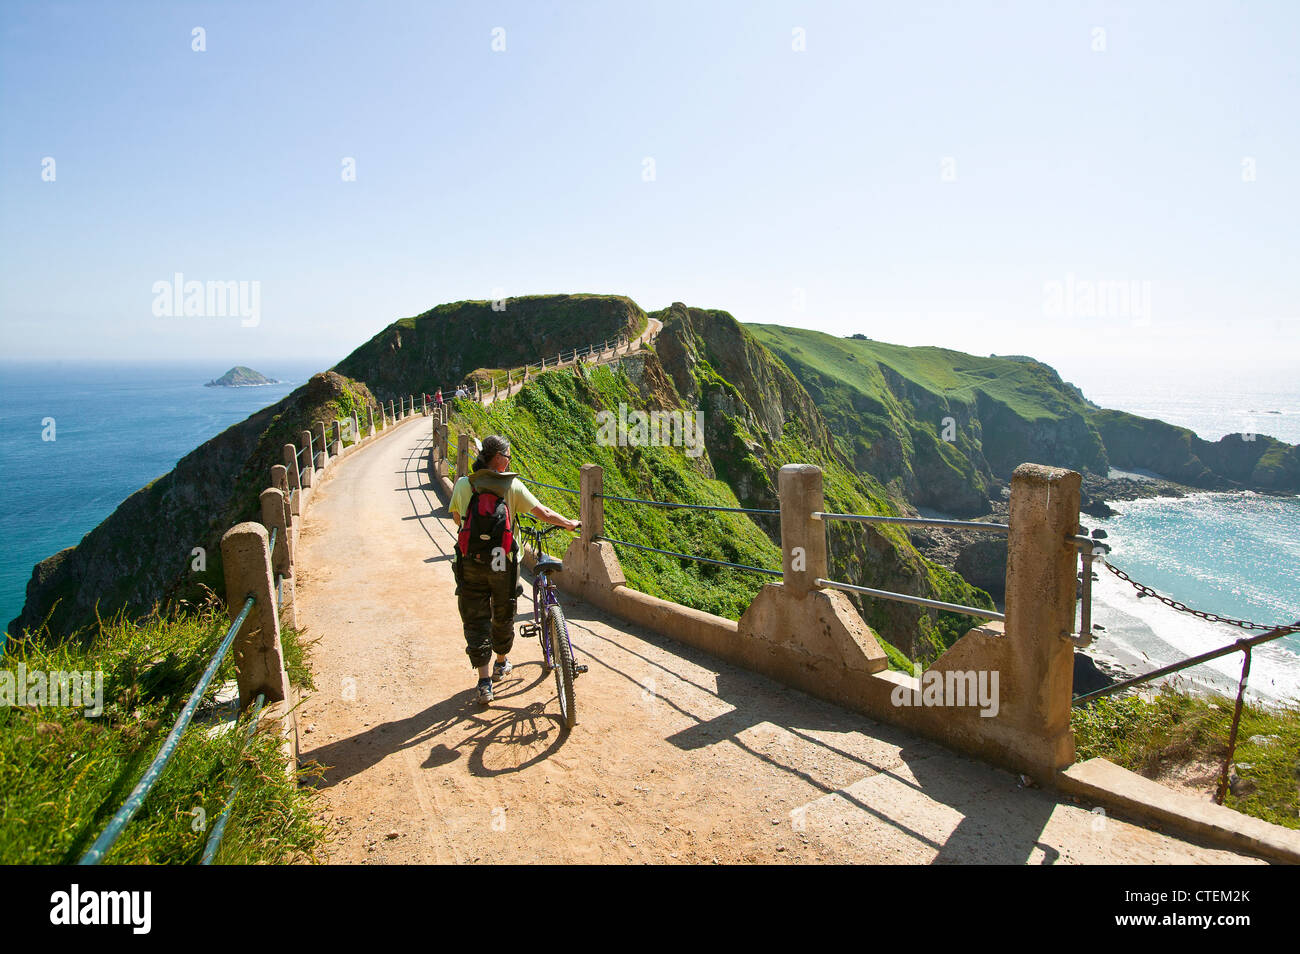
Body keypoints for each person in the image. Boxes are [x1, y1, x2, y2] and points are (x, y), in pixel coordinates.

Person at [448, 435, 579, 704]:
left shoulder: (464, 484)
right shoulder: (511, 486)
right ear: (498, 458)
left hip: (470, 560)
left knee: (475, 617)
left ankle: (484, 682)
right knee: (502, 610)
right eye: (507, 457)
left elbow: (457, 519)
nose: (509, 461)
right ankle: (501, 662)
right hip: (503, 562)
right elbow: (542, 512)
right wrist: (568, 523)